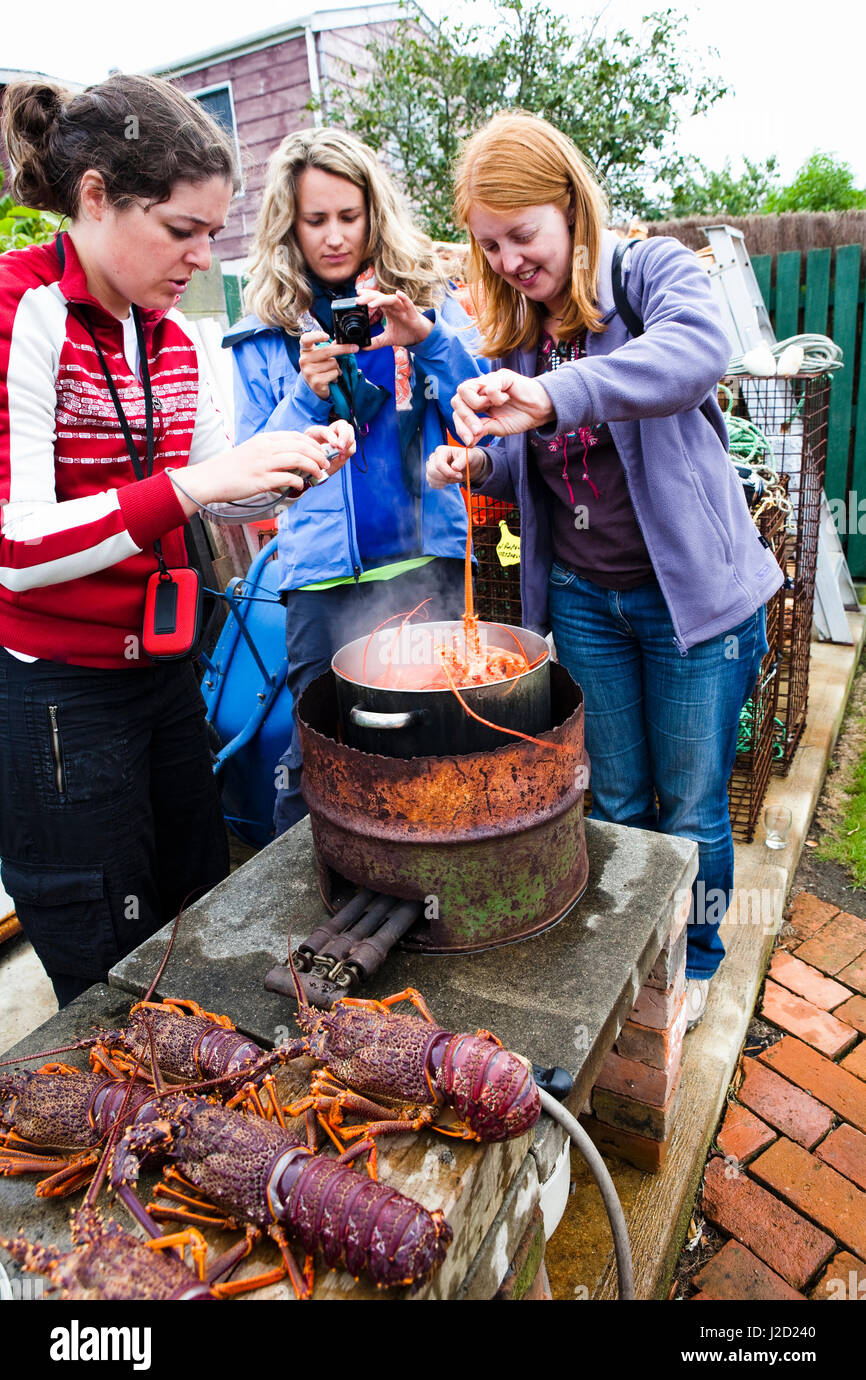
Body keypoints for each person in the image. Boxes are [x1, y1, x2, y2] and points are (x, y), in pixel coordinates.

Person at [0, 75, 354, 1006]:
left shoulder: (181, 340)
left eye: (212, 231)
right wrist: (199, 483)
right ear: (92, 196)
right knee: (103, 945)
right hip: (58, 695)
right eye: (180, 229)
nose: (204, 254)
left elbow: (215, 499)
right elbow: (18, 547)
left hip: (164, 673)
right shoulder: (21, 314)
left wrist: (287, 465)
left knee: (194, 905)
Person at [427, 112, 784, 1028]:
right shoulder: (517, 331)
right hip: (584, 602)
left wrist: (552, 392)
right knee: (618, 800)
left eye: (524, 233)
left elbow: (693, 361)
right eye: (489, 243)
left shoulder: (652, 273)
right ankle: (639, 947)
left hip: (686, 607)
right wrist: (478, 463)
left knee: (694, 805)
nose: (507, 260)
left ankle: (700, 953)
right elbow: (533, 466)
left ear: (572, 206)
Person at [227, 127, 484, 835]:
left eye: (350, 215)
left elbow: (482, 417)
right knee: (321, 760)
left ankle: (426, 894)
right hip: (322, 582)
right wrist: (306, 396)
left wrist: (427, 338)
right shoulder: (263, 334)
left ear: (374, 213)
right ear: (290, 225)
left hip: (427, 563)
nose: (336, 237)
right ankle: (301, 910)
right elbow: (253, 480)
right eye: (316, 220)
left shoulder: (427, 298)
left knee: (432, 746)